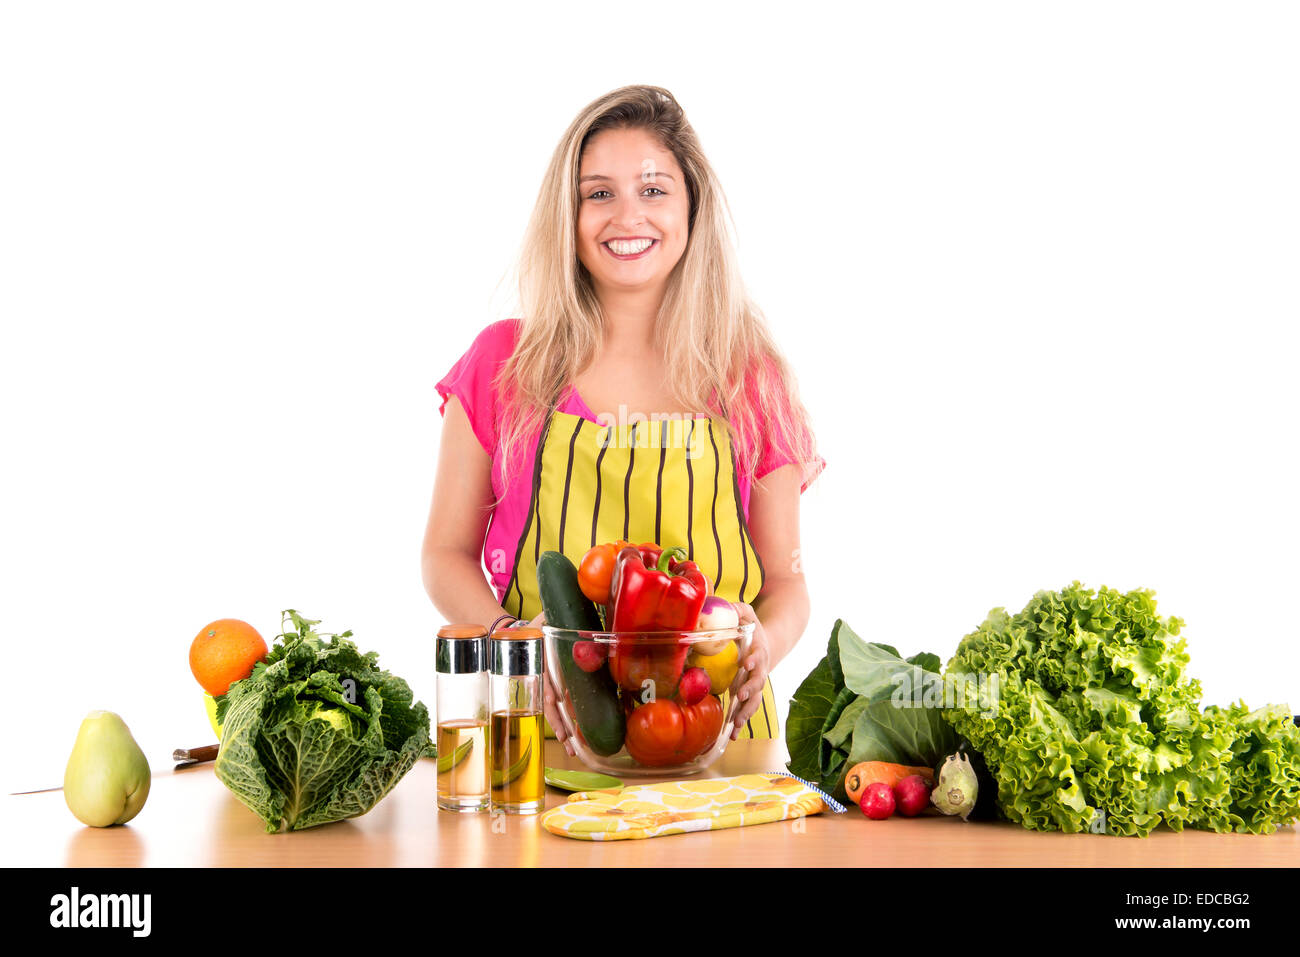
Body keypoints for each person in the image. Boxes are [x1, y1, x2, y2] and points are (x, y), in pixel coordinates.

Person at [421, 85, 824, 753]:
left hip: (717, 741)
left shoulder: (748, 376)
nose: (626, 215)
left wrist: (767, 641)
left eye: (654, 189)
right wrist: (513, 642)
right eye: (598, 193)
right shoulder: (504, 364)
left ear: (693, 207)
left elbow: (788, 582)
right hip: (542, 738)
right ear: (567, 215)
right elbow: (443, 556)